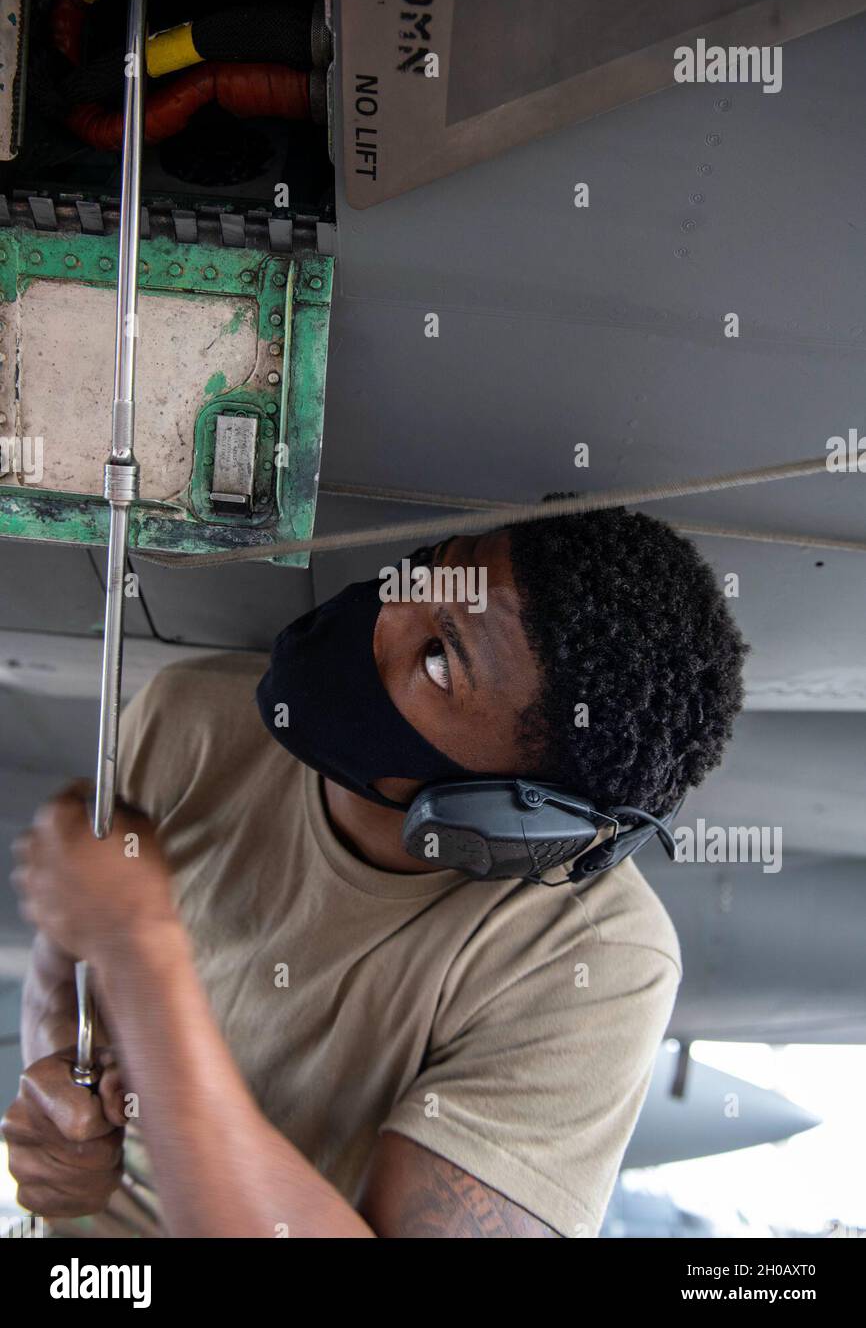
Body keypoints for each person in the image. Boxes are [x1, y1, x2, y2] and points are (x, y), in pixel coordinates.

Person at [4, 506, 747, 1238]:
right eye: (429, 570)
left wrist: (143, 950)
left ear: (505, 814)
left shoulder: (596, 959)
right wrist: (63, 1107)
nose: (389, 609)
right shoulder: (190, 715)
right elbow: (67, 965)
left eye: (437, 661)